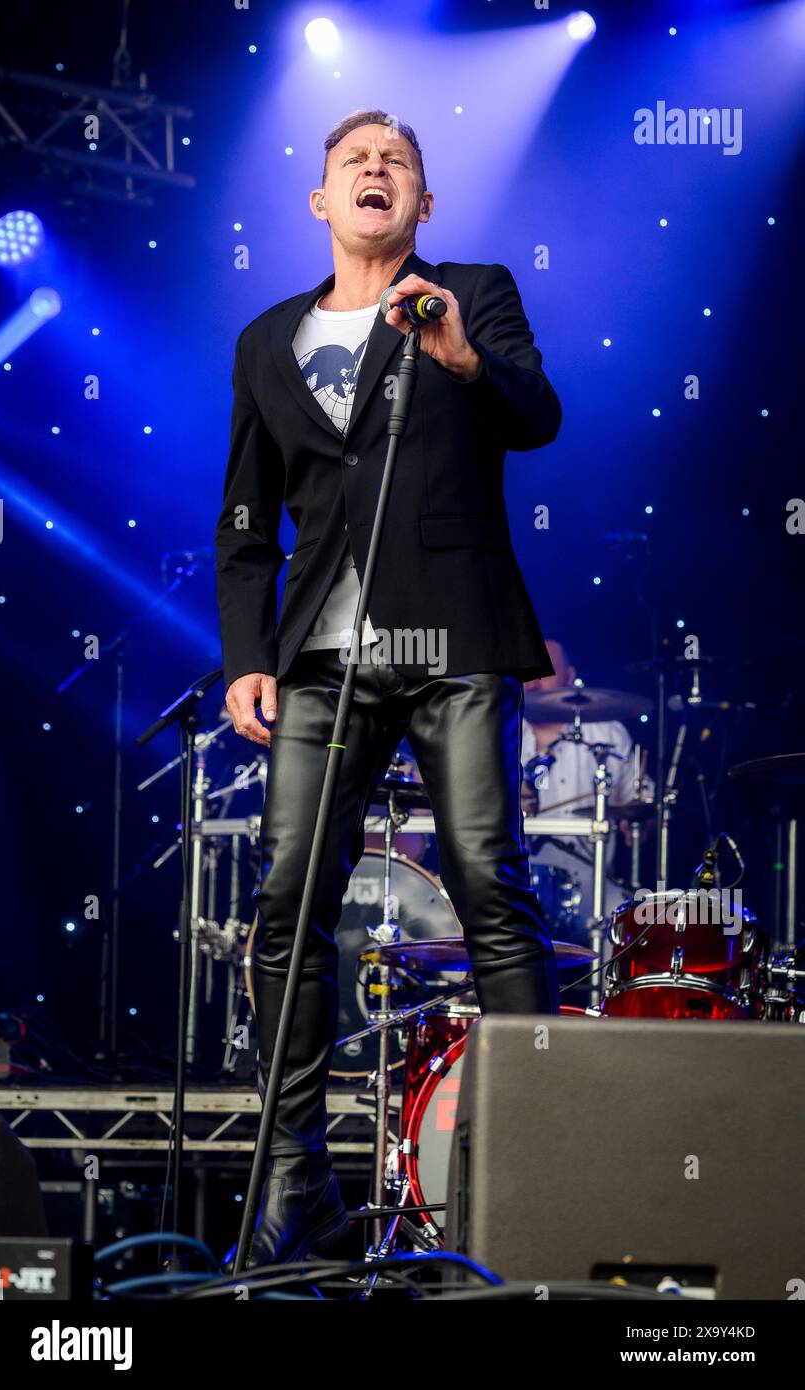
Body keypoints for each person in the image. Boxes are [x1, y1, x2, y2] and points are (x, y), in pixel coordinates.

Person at [215, 109, 562, 1266]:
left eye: (398, 161)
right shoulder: (266, 340)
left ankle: (525, 1169)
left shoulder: (467, 292)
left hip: (451, 639)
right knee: (285, 907)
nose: (376, 169)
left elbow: (538, 415)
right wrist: (245, 656)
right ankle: (292, 1187)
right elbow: (245, 523)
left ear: (422, 204)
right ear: (320, 201)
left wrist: (463, 355)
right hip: (324, 655)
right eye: (355, 160)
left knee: (485, 882)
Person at [521, 638, 653, 937]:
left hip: (591, 883)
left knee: (627, 931)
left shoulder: (606, 733)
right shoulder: (497, 733)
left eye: (544, 669)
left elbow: (640, 797)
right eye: (527, 670)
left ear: (570, 676)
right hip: (515, 881)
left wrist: (640, 814)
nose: (533, 680)